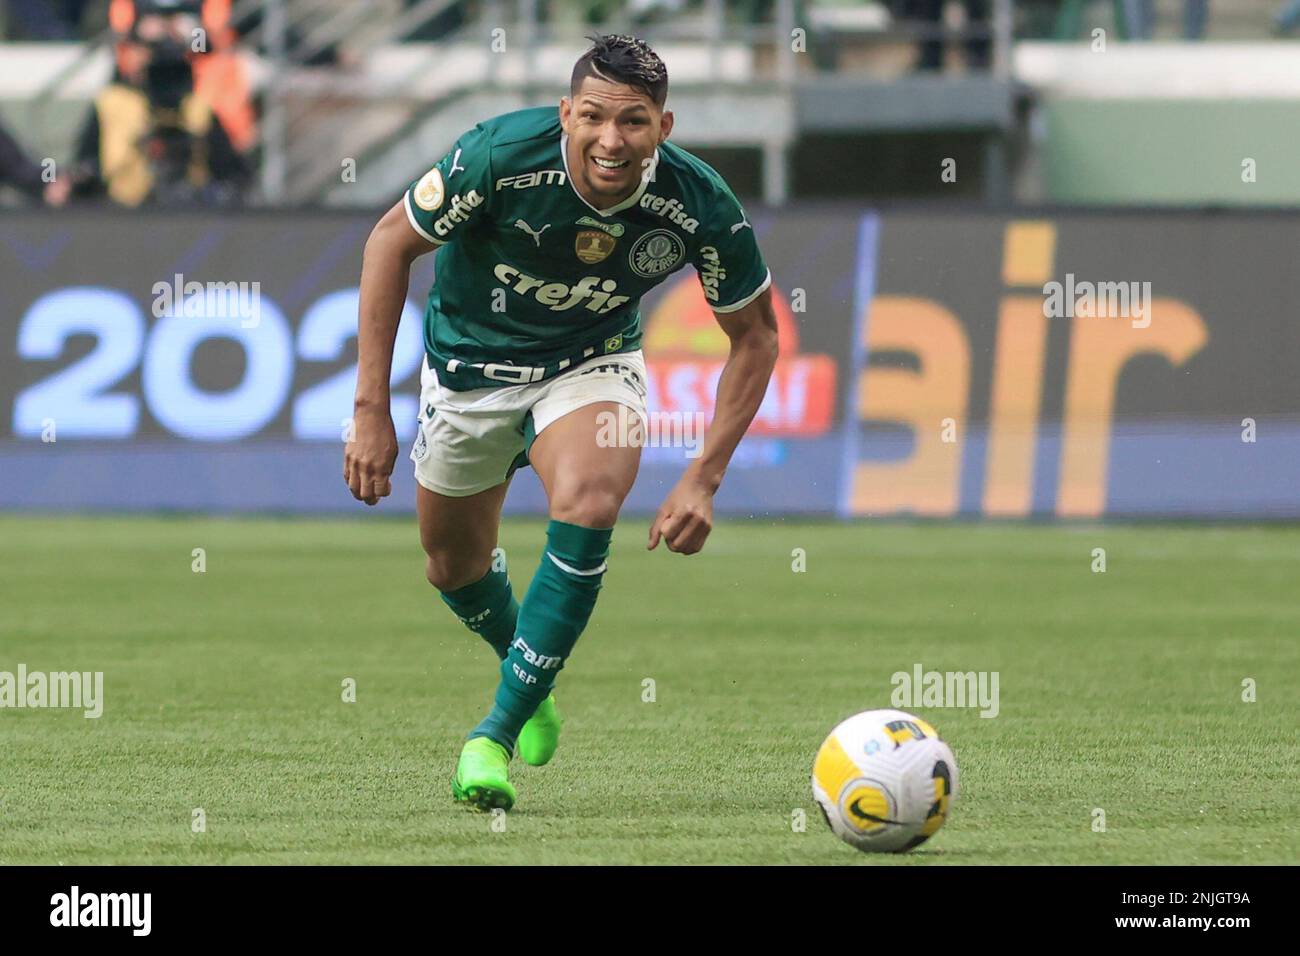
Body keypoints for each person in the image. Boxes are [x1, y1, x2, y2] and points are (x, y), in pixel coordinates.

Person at [346, 34, 778, 812]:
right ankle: (531, 675)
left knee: (589, 501)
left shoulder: (698, 201)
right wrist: (370, 411)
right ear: (565, 115)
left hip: (591, 365)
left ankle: (494, 735)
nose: (612, 140)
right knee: (451, 564)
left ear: (664, 127)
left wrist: (702, 478)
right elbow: (388, 244)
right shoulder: (498, 157)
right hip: (469, 372)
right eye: (594, 117)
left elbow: (757, 337)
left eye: (635, 121)